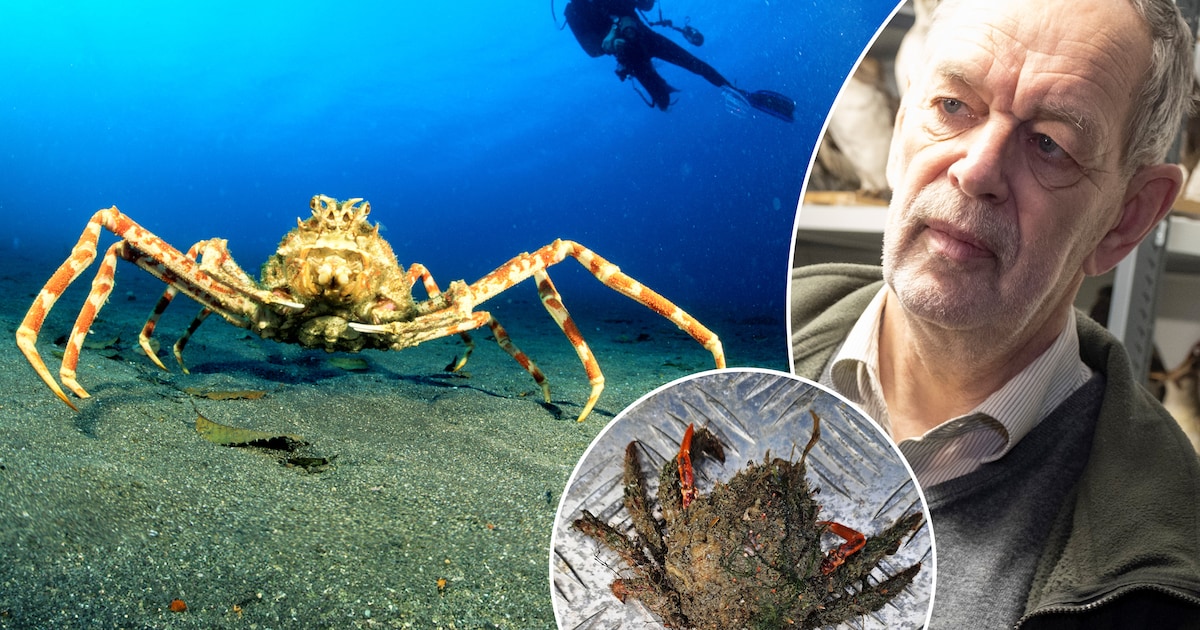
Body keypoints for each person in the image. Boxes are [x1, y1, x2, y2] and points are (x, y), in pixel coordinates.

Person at [789, 0, 1200, 627]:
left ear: (1128, 218)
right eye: (953, 107)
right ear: (902, 129)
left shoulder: (1162, 578)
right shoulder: (722, 340)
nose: (977, 169)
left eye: (1049, 144)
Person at [563, 0, 794, 120]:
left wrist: (625, 21)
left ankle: (745, 95)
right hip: (630, 56)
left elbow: (646, 4)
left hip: (646, 38)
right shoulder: (574, 11)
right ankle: (741, 94)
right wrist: (611, 40)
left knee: (697, 67)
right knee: (662, 98)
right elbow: (592, 50)